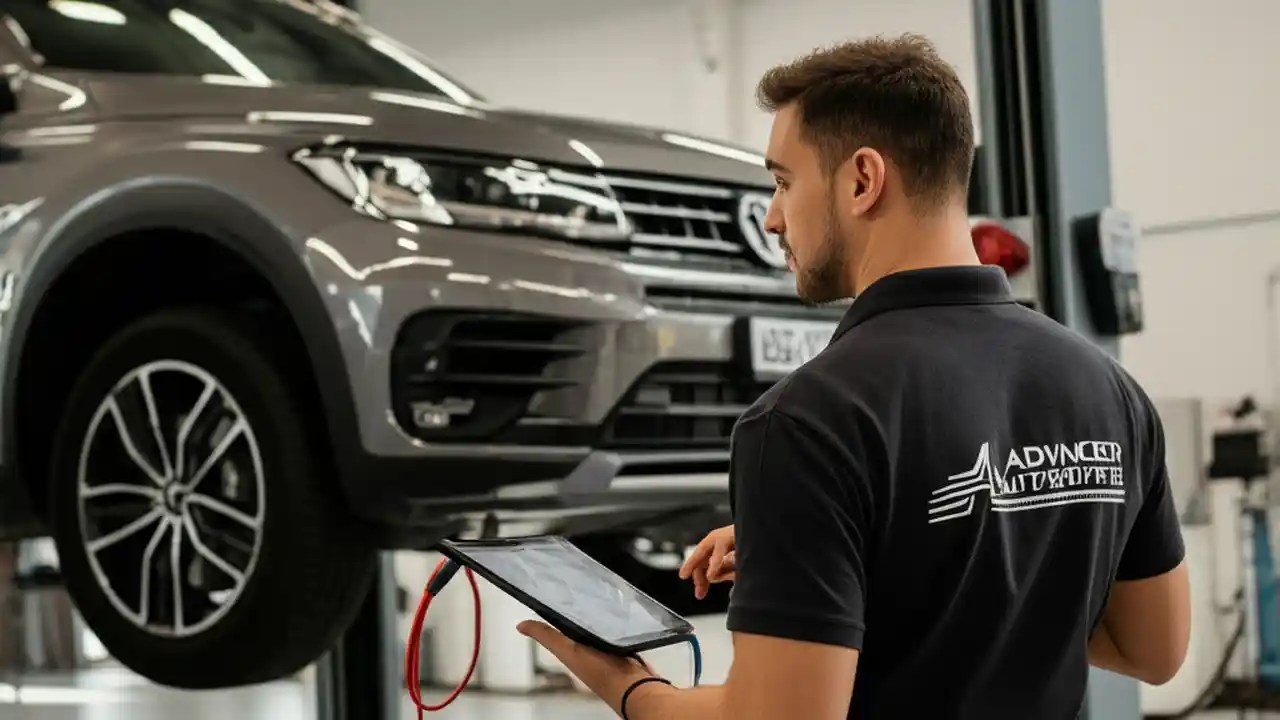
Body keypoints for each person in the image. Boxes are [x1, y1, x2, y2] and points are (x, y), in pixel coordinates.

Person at [518, 33, 1190, 719]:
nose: (774, 217)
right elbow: (1153, 651)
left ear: (863, 180)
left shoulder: (808, 420)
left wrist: (633, 690)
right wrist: (849, 556)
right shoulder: (1109, 390)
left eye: (783, 182)